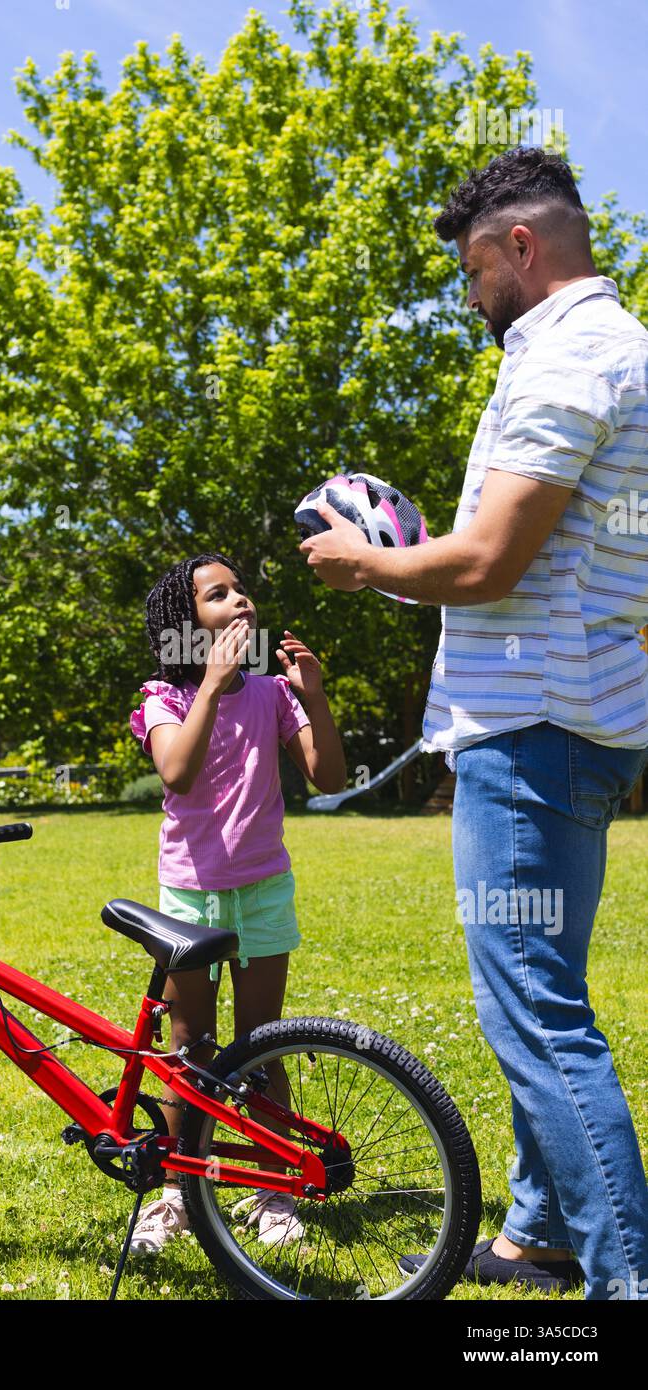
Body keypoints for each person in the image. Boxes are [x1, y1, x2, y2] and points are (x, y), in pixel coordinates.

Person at [298, 146, 648, 1300]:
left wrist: (368, 561)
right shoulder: (625, 352)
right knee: (544, 989)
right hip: (587, 721)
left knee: (539, 1019)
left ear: (520, 247)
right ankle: (538, 1234)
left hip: (531, 733)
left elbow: (492, 560)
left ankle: (622, 1281)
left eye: (467, 270)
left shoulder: (565, 360)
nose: (465, 294)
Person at [127, 551, 346, 1254]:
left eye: (242, 590)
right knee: (188, 1048)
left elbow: (328, 778)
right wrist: (214, 686)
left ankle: (270, 1187)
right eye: (218, 595)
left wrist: (311, 695)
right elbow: (177, 772)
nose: (240, 601)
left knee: (260, 1047)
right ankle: (174, 1195)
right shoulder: (164, 698)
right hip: (189, 894)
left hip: (262, 889)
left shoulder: (271, 696)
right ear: (186, 622)